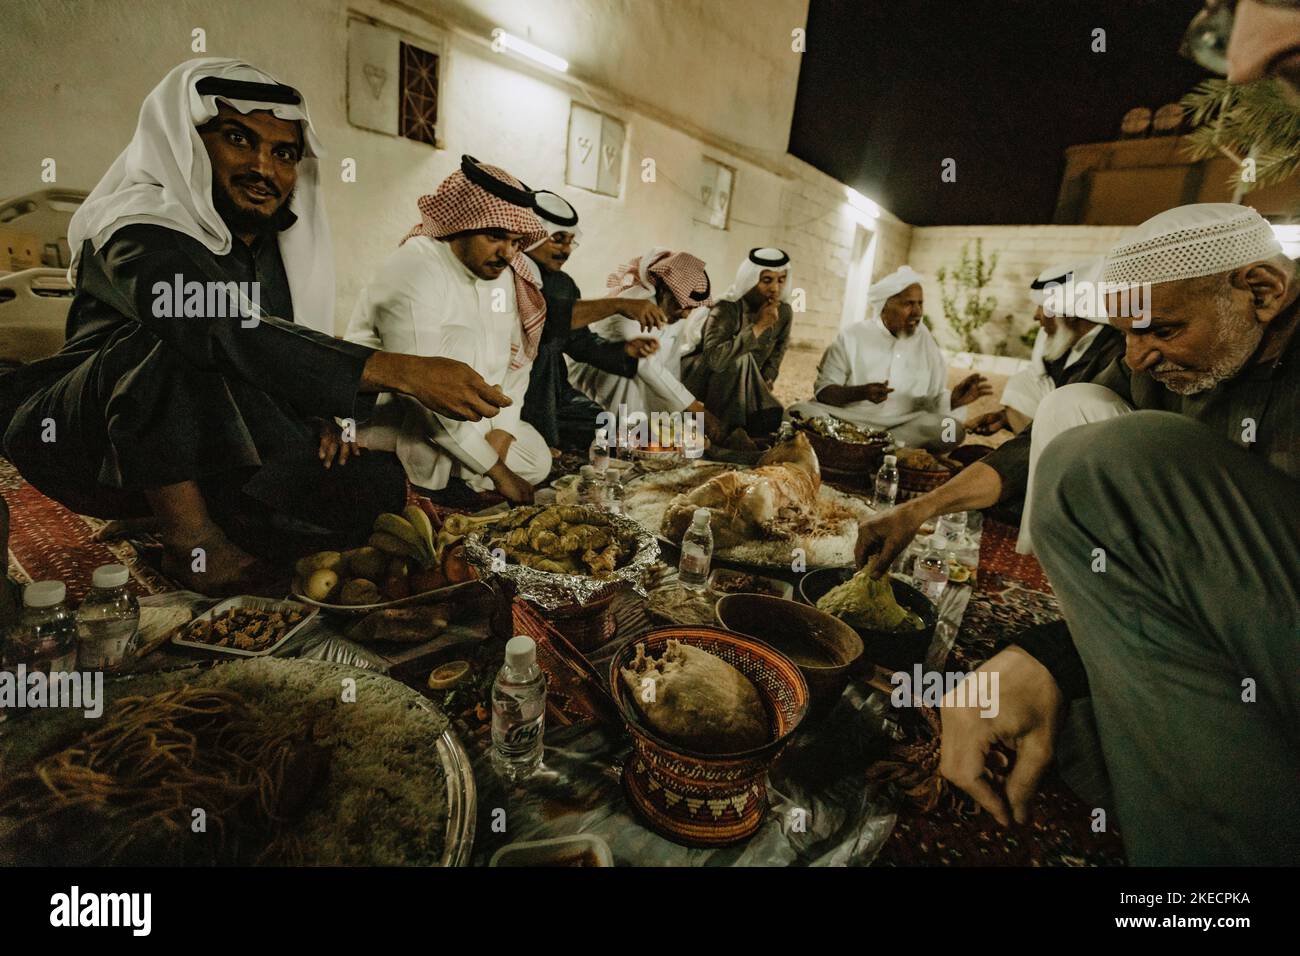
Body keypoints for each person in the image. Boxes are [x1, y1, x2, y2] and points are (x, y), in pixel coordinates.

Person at [858, 203, 1300, 865]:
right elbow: (1031, 447)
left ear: (1263, 291)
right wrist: (916, 512)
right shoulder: (1158, 360)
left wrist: (1055, 655)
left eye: (1158, 330)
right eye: (1123, 334)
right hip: (1211, 618)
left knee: (1113, 458)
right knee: (1073, 739)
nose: (1136, 356)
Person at [0, 60, 508, 595]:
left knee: (368, 493)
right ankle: (189, 539)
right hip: (77, 434)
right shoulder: (138, 228)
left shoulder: (268, 241)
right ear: (189, 145)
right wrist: (398, 370)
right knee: (184, 326)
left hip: (198, 421)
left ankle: (164, 503)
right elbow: (219, 327)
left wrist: (323, 413)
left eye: (283, 153)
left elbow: (274, 345)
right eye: (239, 140)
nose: (262, 167)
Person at [345, 157, 563, 505]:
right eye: (495, 236)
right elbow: (421, 390)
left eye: (516, 241)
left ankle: (472, 468)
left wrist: (503, 434)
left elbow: (516, 365)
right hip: (403, 423)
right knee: (461, 347)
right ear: (462, 223)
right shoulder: (416, 267)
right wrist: (499, 472)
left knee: (537, 457)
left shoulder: (502, 274)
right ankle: (443, 486)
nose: (507, 253)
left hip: (471, 421)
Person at [518, 190, 663, 451]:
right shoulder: (512, 275)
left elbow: (579, 342)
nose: (565, 250)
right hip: (521, 393)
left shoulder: (563, 283)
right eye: (557, 240)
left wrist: (626, 351)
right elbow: (548, 321)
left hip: (555, 390)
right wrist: (618, 304)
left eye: (569, 242)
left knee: (618, 431)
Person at [788, 266, 990, 450]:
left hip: (900, 428)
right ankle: (879, 452)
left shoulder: (926, 343)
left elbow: (931, 402)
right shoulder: (852, 336)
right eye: (908, 304)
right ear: (885, 306)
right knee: (796, 413)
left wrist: (953, 400)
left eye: (920, 303)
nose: (918, 312)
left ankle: (865, 449)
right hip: (843, 421)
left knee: (951, 431)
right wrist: (861, 392)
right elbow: (824, 392)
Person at [568, 248, 724, 441]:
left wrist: (676, 418)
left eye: (691, 309)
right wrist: (695, 409)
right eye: (681, 305)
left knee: (667, 429)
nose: (685, 314)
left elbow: (669, 368)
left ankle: (639, 436)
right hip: (598, 380)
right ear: (663, 289)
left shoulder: (675, 314)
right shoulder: (633, 306)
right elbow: (645, 367)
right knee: (629, 369)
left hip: (643, 383)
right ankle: (615, 438)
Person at [968, 262, 1124, 435]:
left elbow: (1069, 417)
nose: (1036, 316)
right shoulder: (1066, 339)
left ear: (1069, 315)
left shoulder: (1114, 351)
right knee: (1023, 383)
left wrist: (997, 462)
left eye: (1043, 307)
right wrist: (1004, 418)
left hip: (1086, 437)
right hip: (1059, 424)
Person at [681, 247, 793, 439]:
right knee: (739, 359)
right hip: (702, 377)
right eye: (767, 280)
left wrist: (767, 378)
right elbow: (715, 360)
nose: (775, 288)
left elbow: (779, 349)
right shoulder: (727, 307)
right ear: (750, 279)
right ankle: (726, 432)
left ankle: (738, 428)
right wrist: (758, 327)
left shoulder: (783, 312)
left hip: (746, 383)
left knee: (774, 421)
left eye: (781, 280)